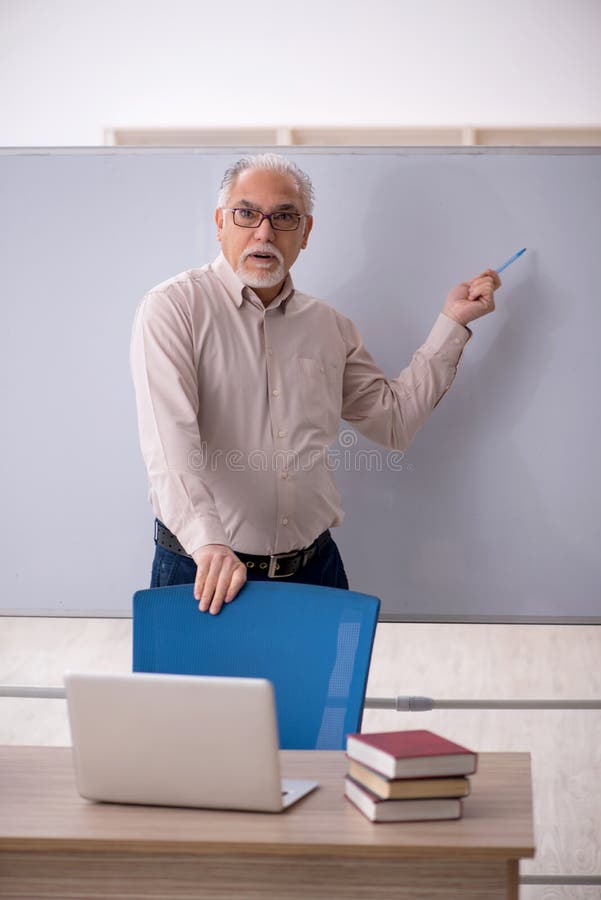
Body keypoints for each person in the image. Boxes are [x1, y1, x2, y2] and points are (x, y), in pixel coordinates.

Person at [130, 153, 500, 615]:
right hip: (203, 573)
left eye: (284, 217)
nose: (264, 232)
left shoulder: (329, 326)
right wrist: (209, 544)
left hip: (314, 574)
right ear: (220, 222)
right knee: (196, 691)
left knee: (326, 692)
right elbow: (171, 448)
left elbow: (395, 422)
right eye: (247, 213)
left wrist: (452, 323)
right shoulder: (173, 309)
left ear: (305, 234)